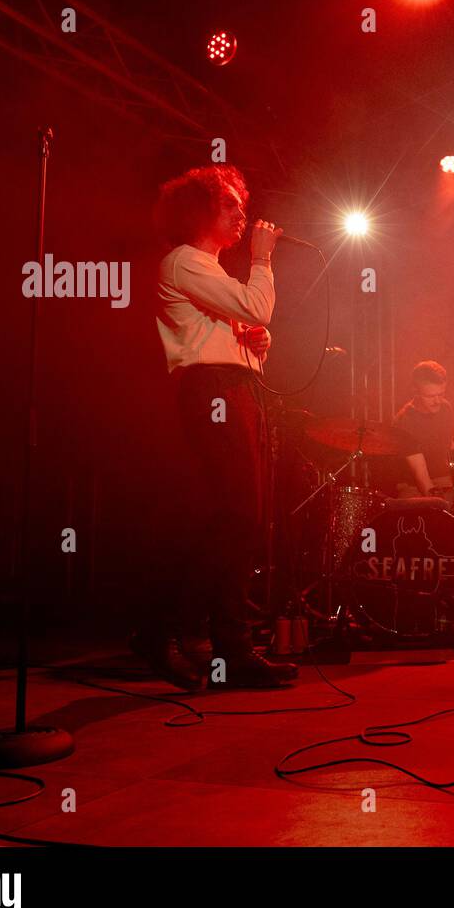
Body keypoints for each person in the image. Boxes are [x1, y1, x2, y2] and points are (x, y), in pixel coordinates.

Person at [136, 164, 298, 689]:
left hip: (232, 390)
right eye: (230, 204)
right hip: (213, 394)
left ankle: (224, 644)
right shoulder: (185, 261)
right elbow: (258, 306)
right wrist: (263, 259)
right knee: (239, 517)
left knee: (237, 520)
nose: (242, 213)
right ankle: (174, 631)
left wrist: (254, 349)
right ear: (200, 210)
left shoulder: (211, 272)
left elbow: (246, 326)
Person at [391, 361, 454, 499]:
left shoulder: (446, 409)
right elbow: (422, 478)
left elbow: (450, 448)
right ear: (416, 393)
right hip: (413, 487)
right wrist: (440, 504)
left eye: (441, 394)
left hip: (444, 479)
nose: (437, 401)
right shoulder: (405, 421)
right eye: (431, 396)